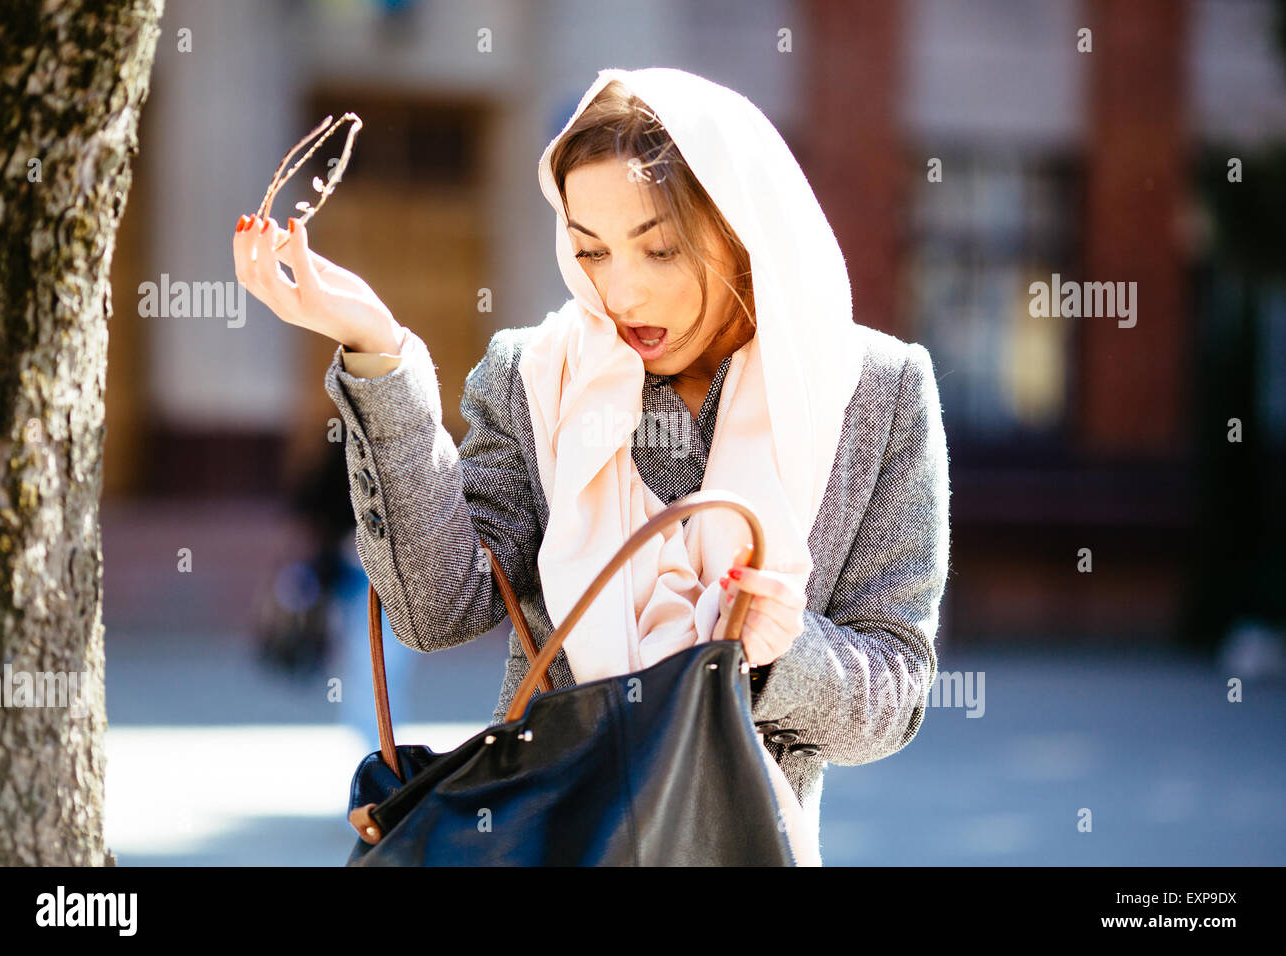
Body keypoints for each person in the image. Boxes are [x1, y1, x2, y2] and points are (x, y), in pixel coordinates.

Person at [233, 67, 950, 865]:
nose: (623, 291)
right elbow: (437, 608)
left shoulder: (875, 391)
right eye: (592, 251)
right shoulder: (538, 375)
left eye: (660, 248)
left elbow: (896, 689)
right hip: (551, 838)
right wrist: (381, 356)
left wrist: (788, 649)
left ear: (740, 230)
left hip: (741, 840)